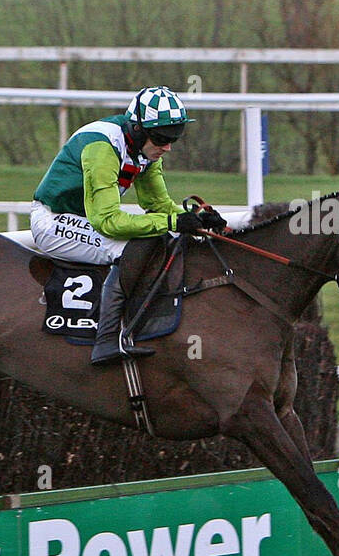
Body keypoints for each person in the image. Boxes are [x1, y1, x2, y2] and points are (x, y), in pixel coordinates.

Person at [31, 85, 225, 363]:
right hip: (53, 222)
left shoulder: (144, 150)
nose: (167, 147)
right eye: (161, 138)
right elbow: (108, 221)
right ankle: (107, 341)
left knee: (161, 238)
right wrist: (172, 221)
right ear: (136, 129)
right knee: (132, 249)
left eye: (174, 138)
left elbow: (158, 205)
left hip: (85, 221)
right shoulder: (101, 147)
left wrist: (198, 217)